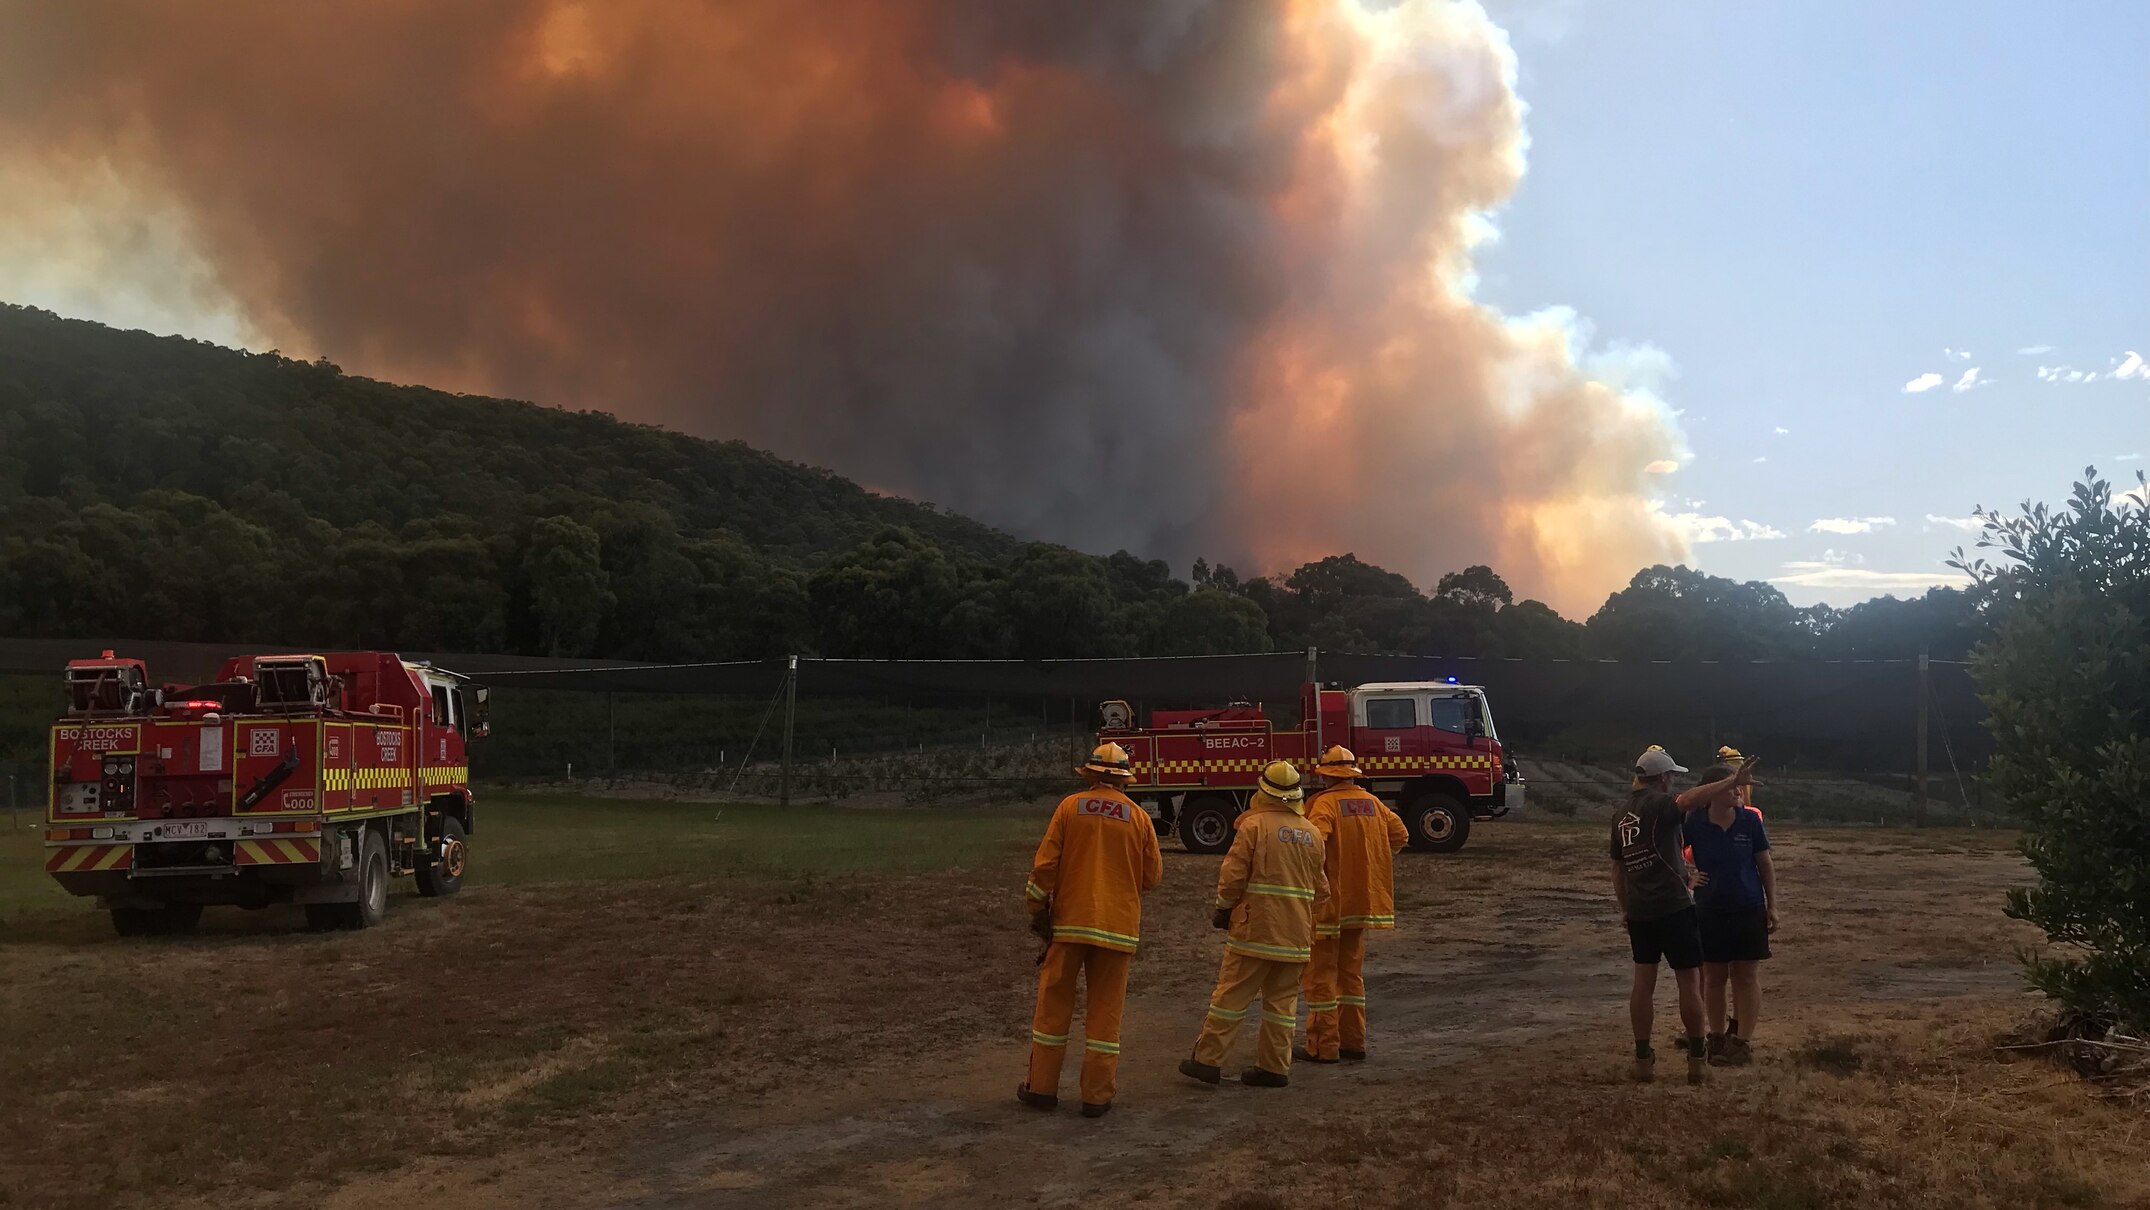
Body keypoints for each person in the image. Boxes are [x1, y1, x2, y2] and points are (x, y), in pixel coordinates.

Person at [1018, 741, 1164, 1118]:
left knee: (1053, 1008)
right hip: (1117, 929)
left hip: (1069, 926)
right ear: (1125, 780)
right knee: (1105, 1014)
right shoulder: (1139, 818)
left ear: (1090, 775)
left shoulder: (1070, 807)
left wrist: (1036, 907)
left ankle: (1041, 1089)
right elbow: (1152, 877)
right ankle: (1097, 1096)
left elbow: (1045, 867)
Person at [1611, 747, 1759, 1084]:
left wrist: (1626, 908)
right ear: (1663, 778)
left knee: (1643, 985)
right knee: (1689, 983)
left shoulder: (1620, 814)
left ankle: (1643, 1059)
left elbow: (1618, 869)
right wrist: (1732, 781)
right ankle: (1696, 1059)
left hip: (1640, 911)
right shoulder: (1661, 804)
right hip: (1674, 908)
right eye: (1672, 777)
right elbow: (1689, 800)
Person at [1181, 760, 1329, 1089]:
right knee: (1282, 1006)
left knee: (1231, 998)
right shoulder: (1312, 834)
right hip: (1296, 937)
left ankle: (1207, 1061)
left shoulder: (1254, 826)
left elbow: (1233, 876)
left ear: (1263, 791)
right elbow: (1322, 891)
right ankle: (1274, 1068)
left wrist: (1223, 909)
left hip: (1255, 932)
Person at [1296, 745, 1409, 1064]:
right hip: (1363, 903)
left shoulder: (1323, 804)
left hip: (1330, 906)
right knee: (1350, 976)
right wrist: (1371, 858)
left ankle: (1324, 1046)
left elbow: (1313, 845)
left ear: (1327, 775)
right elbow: (1400, 836)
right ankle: (1353, 1042)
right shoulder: (1373, 803)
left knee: (1321, 976)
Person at [1684, 762, 1778, 1066]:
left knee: (1745, 975)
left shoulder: (1750, 820)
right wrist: (1686, 877)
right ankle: (1716, 1036)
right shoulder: (1695, 822)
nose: (1739, 791)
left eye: (1740, 785)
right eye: (1732, 785)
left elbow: (1764, 863)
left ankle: (1742, 1042)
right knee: (1714, 976)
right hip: (1710, 909)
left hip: (1748, 907)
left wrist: (1772, 905)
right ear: (1713, 791)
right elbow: (1668, 849)